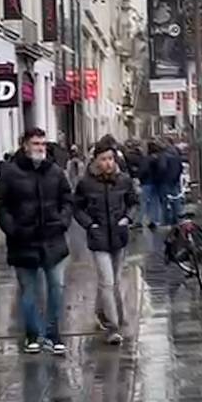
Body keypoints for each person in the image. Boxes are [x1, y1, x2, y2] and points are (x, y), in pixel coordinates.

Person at [0, 128, 74, 355]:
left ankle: (52, 332)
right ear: (25, 145)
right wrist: (13, 229)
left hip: (53, 240)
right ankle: (32, 334)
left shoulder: (55, 172)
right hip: (24, 241)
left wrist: (62, 221)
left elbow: (67, 199)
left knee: (56, 287)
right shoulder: (10, 173)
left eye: (42, 144)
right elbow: (0, 205)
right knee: (29, 290)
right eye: (35, 144)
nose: (40, 148)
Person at [73, 142, 138, 345]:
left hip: (119, 236)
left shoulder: (123, 180)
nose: (108, 163)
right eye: (103, 159)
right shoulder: (86, 184)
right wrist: (89, 224)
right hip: (98, 237)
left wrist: (128, 218)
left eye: (110, 158)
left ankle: (101, 312)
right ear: (95, 161)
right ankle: (113, 326)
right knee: (107, 282)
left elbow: (133, 202)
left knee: (114, 281)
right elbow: (77, 208)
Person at [155, 139, 185, 226]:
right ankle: (177, 219)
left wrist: (159, 178)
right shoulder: (176, 154)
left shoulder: (163, 155)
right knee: (176, 200)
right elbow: (180, 167)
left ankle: (166, 221)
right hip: (175, 181)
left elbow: (162, 168)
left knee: (165, 202)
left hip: (165, 181)